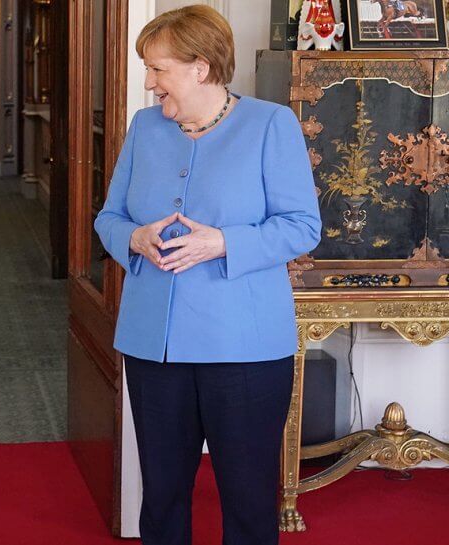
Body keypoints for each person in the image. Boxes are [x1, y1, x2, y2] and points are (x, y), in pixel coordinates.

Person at [94, 6, 321, 545]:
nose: (148, 84)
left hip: (244, 349)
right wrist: (133, 237)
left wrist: (224, 241)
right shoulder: (145, 128)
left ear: (201, 67)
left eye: (157, 69)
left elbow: (303, 227)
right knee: (163, 495)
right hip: (155, 345)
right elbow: (109, 218)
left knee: (246, 498)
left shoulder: (270, 124)